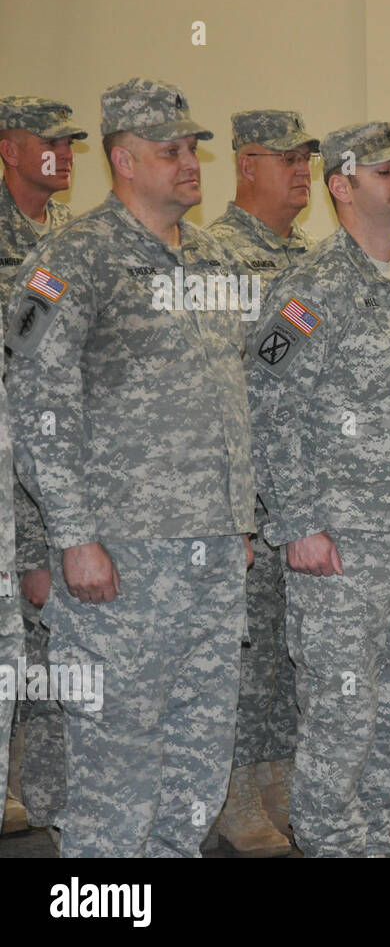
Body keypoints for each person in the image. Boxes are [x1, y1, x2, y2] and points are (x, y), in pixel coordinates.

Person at [6, 77, 255, 858]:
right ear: (122, 158)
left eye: (193, 149)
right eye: (170, 150)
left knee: (198, 756)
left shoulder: (215, 259)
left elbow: (234, 398)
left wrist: (240, 520)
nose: (190, 163)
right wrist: (72, 536)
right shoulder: (71, 259)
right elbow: (37, 404)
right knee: (118, 762)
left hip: (212, 550)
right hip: (122, 555)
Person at [245, 121, 390, 858]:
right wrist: (298, 522)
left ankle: (372, 837)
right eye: (382, 170)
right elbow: (268, 409)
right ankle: (332, 841)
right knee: (341, 710)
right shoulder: (309, 289)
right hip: (342, 546)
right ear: (340, 185)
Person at [206, 109, 319, 857]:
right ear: (247, 164)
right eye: (286, 158)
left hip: (305, 490)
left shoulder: (311, 260)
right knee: (243, 649)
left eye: (308, 157)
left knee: (290, 647)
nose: (302, 170)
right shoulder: (212, 258)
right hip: (245, 493)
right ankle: (234, 791)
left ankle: (277, 775)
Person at [0, 95, 85, 838]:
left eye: (72, 141)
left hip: (47, 464)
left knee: (50, 644)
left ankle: (46, 790)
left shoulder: (71, 237)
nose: (64, 150)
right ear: (9, 148)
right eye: (49, 140)